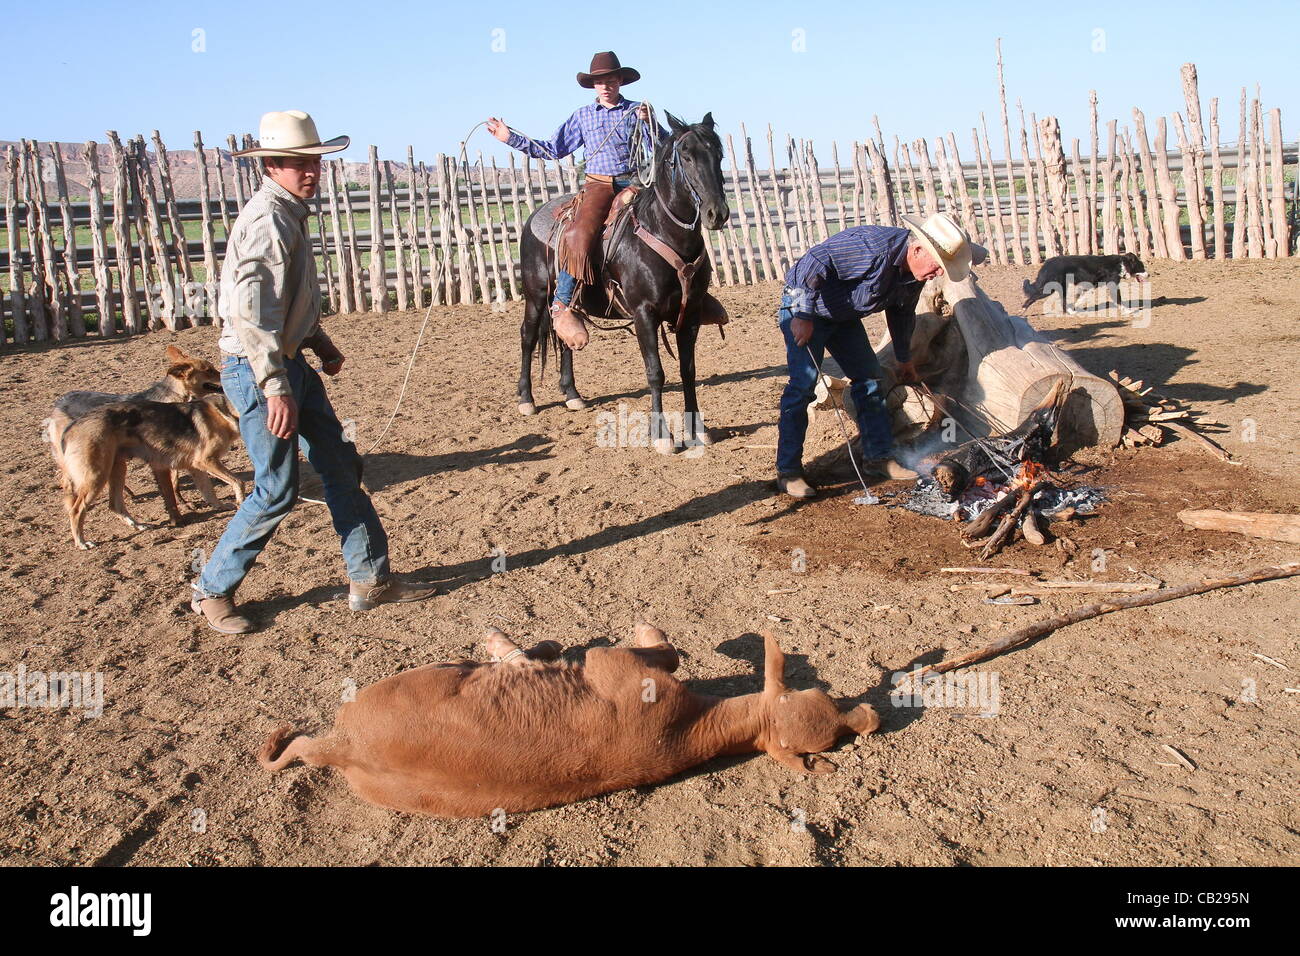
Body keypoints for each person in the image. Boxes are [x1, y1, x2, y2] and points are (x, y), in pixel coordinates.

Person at [190, 110, 435, 634]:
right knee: (276, 488)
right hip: (260, 371)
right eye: (298, 163)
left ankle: (370, 579)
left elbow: (285, 302)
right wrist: (276, 387)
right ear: (273, 165)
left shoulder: (289, 214)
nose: (310, 172)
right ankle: (212, 590)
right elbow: (252, 316)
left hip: (287, 363)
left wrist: (319, 343)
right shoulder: (267, 221)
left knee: (340, 463)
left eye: (314, 162)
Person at [487, 50, 725, 349]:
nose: (605, 85)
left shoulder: (639, 111)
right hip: (598, 185)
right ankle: (562, 303)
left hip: (635, 183)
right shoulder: (583, 116)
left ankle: (695, 296)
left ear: (620, 81)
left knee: (674, 222)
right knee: (579, 233)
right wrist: (510, 138)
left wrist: (651, 124)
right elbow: (553, 149)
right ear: (593, 86)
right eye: (599, 81)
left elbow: (671, 148)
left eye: (610, 79)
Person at [774, 212, 983, 498]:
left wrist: (903, 358)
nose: (938, 273)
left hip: (842, 317)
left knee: (870, 378)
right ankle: (789, 472)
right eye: (938, 264)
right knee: (802, 386)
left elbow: (901, 314)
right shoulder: (872, 247)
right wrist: (802, 313)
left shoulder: (913, 275)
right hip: (805, 311)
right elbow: (813, 262)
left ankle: (878, 458)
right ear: (918, 249)